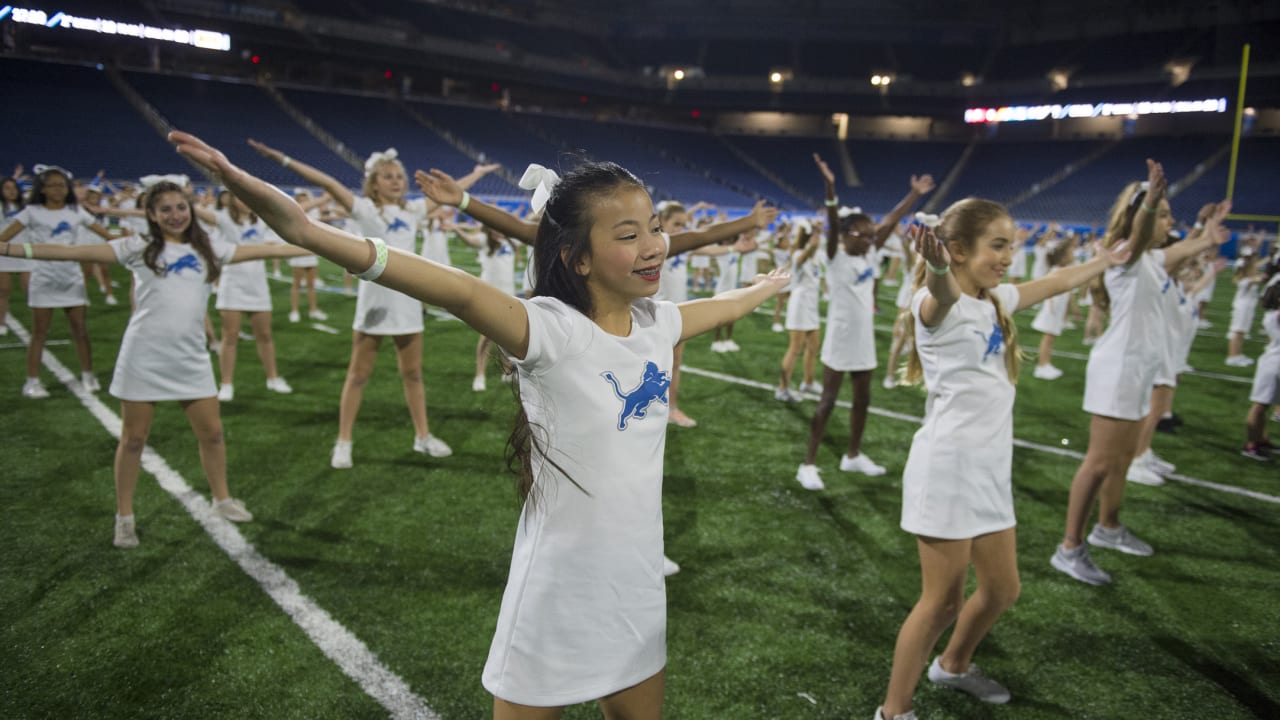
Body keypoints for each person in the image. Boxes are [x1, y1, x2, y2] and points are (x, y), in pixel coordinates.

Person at [170, 129, 790, 719]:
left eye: (654, 227)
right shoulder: (550, 328)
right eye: (628, 235)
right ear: (576, 258)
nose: (654, 244)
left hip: (637, 587)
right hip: (559, 588)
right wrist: (295, 223)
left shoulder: (660, 323)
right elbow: (456, 291)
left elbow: (728, 303)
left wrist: (765, 287)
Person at [874, 200, 1131, 720]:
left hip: (989, 472)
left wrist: (1106, 260)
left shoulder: (995, 301)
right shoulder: (935, 302)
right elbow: (941, 292)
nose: (1009, 256)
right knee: (940, 603)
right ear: (960, 249)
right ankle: (893, 712)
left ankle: (952, 664)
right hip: (946, 470)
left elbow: (1057, 282)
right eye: (998, 244)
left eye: (1011, 244)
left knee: (1002, 589)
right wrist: (942, 269)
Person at [0, 179, 312, 546]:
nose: (175, 215)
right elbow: (72, 252)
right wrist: (9, 247)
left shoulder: (209, 247)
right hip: (144, 355)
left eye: (181, 207)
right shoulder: (138, 246)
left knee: (212, 434)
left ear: (191, 210)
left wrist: (327, 247)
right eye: (165, 209)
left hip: (192, 356)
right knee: (133, 440)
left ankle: (222, 499)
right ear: (150, 214)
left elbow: (264, 250)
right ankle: (125, 517)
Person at [248, 139, 499, 467]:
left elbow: (455, 191)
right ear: (374, 182)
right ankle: (343, 441)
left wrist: (476, 173)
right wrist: (280, 156)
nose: (396, 180)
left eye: (399, 176)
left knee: (413, 374)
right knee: (358, 375)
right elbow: (327, 182)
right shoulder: (363, 209)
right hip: (375, 302)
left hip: (408, 302)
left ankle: (422, 436)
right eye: (388, 176)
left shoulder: (412, 210)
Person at [1051, 160, 1231, 586]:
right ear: (1138, 218)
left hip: (1136, 370)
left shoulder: (1154, 260)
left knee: (1121, 461)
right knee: (1098, 463)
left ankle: (1108, 527)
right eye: (1162, 214)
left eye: (1168, 213)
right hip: (1118, 369)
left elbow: (1193, 248)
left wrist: (1209, 229)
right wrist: (1150, 202)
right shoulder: (1126, 257)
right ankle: (1070, 547)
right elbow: (1140, 232)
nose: (1169, 219)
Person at [796, 154, 934, 491]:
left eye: (872, 234)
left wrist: (914, 195)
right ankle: (808, 463)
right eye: (863, 233)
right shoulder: (836, 255)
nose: (871, 238)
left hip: (864, 340)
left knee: (863, 399)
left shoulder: (870, 251)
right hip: (840, 338)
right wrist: (830, 188)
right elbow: (831, 219)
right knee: (828, 400)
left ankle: (853, 454)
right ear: (846, 235)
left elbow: (891, 219)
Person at [0, 165, 116, 398]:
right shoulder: (31, 212)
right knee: (39, 332)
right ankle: (32, 381)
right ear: (42, 189)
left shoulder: (76, 212)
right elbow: (3, 240)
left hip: (71, 278)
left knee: (81, 330)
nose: (58, 189)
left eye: (62, 185)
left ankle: (88, 375)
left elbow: (108, 237)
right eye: (52, 185)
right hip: (43, 278)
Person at [776, 220, 822, 402]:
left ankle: (808, 382)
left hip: (811, 305)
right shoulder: (798, 254)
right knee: (795, 348)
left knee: (813, 347)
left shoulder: (817, 256)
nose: (820, 237)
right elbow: (803, 257)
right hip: (799, 305)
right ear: (809, 237)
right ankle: (782, 388)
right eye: (817, 234)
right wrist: (812, 246)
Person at [1030, 237, 1078, 380]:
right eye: (1070, 252)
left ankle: (1046, 363)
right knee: (1048, 338)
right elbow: (1049, 288)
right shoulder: (1056, 270)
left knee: (1051, 338)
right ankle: (1042, 366)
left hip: (1057, 310)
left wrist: (1073, 308)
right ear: (1063, 256)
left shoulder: (1063, 269)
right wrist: (1051, 305)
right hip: (1052, 310)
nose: (1073, 255)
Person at [1242, 277, 1280, 459]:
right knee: (1259, 405)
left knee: (1264, 405)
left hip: (1273, 363)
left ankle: (1261, 439)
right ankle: (1250, 444)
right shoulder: (1276, 315)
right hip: (1273, 365)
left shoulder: (1272, 314)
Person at [287, 189, 333, 323]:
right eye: (301, 200)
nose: (304, 202)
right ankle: (294, 311)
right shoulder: (293, 211)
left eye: (305, 199)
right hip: (297, 251)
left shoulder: (312, 212)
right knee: (296, 285)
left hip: (310, 252)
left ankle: (313, 310)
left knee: (311, 285)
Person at [0, 175, 33, 336]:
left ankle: (38, 325)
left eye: (13, 188)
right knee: (3, 291)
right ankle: (1, 324)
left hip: (23, 252)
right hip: (3, 254)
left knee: (30, 290)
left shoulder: (26, 206)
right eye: (7, 188)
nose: (11, 191)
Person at [1226, 250, 1263, 366]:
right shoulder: (1245, 280)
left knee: (1241, 333)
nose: (1256, 270)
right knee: (1237, 332)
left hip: (1246, 309)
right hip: (1242, 309)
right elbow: (1259, 279)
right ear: (1248, 270)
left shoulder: (1248, 279)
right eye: (1254, 269)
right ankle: (1232, 357)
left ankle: (1238, 354)